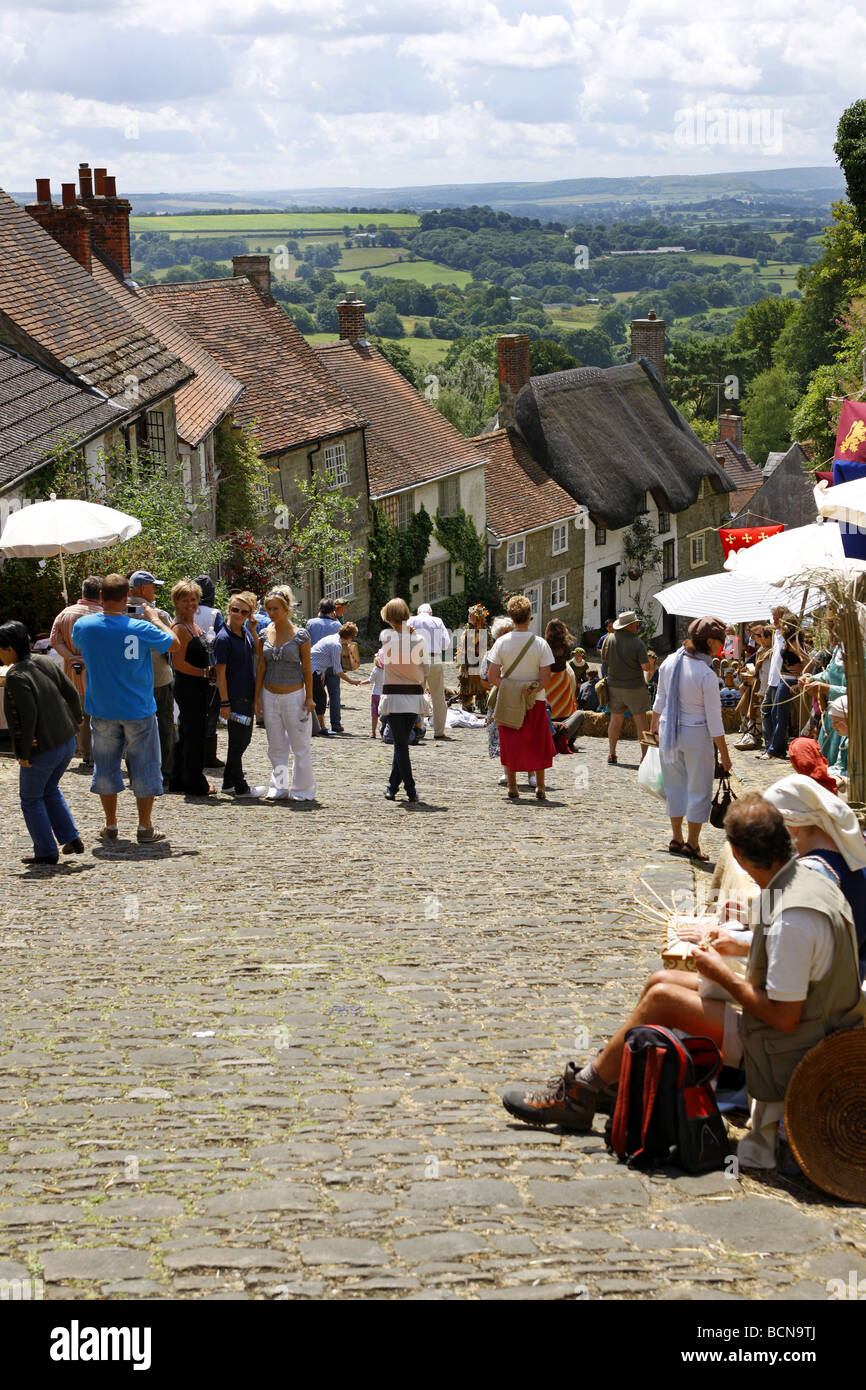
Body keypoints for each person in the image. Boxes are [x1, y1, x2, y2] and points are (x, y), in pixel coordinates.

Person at [501, 795, 865, 1154]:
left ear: (737, 856)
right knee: (659, 983)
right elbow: (787, 938)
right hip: (810, 1020)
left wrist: (721, 974)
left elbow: (784, 1018)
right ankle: (608, 1084)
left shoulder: (792, 918)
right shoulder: (805, 876)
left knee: (664, 1000)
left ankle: (581, 1092)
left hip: (794, 1045)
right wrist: (740, 940)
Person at [72, 573, 178, 843]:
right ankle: (145, 827)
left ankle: (111, 825)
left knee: (105, 768)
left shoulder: (84, 625)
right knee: (145, 767)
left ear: (100, 597)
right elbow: (175, 644)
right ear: (126, 596)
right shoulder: (140, 627)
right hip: (138, 708)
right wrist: (154, 619)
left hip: (102, 707)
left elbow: (77, 644)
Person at [763, 773, 866, 981]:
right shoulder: (848, 850)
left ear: (793, 826)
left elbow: (789, 939)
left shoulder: (814, 870)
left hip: (833, 982)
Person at [0, 620, 84, 865]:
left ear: (9, 649)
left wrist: (23, 753)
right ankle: (70, 837)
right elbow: (70, 690)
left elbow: (27, 717)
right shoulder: (44, 660)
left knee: (30, 798)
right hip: (66, 741)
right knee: (49, 789)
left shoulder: (16, 675)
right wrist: (77, 718)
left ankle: (46, 851)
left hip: (43, 748)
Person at [650, 616, 732, 862]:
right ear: (709, 641)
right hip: (696, 735)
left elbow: (659, 700)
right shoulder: (706, 674)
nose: (723, 647)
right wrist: (725, 756)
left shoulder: (669, 663)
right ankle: (692, 843)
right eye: (721, 642)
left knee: (674, 786)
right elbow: (714, 721)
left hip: (668, 730)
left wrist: (654, 726)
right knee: (698, 789)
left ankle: (676, 837)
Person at [486, 594, 554, 801]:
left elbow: (492, 676)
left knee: (511, 742)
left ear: (511, 616)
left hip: (509, 700)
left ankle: (513, 786)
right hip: (535, 700)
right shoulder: (540, 644)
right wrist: (529, 690)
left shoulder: (501, 643)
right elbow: (545, 678)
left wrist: (511, 688)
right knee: (536, 742)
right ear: (529, 616)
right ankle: (540, 787)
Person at [254, 588, 317, 801]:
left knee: (300, 745)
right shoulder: (264, 634)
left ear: (286, 609)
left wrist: (309, 697)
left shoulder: (300, 635)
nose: (271, 612)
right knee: (276, 745)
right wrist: (257, 697)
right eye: (268, 609)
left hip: (295, 695)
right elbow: (261, 666)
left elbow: (307, 668)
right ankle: (280, 786)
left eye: (275, 609)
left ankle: (302, 788)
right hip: (270, 694)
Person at [213, 592, 265, 798]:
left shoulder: (243, 633)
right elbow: (220, 672)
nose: (239, 614)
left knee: (241, 741)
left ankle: (228, 783)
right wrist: (225, 702)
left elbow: (257, 654)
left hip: (245, 696)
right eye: (235, 610)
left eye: (244, 612)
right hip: (235, 699)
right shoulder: (224, 638)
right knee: (240, 742)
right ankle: (240, 786)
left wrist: (253, 630)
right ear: (229, 609)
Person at [378, 597, 430, 802]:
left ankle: (410, 788)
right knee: (401, 742)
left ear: (390, 619)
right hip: (413, 695)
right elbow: (425, 667)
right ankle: (393, 786)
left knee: (400, 745)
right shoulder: (420, 640)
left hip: (394, 695)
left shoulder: (387, 639)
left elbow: (381, 661)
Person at [168, 580, 215, 798]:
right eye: (185, 599)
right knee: (194, 735)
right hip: (189, 686)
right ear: (176, 602)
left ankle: (179, 778)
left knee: (187, 733)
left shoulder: (193, 625)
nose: (190, 603)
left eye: (194, 599)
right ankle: (195, 783)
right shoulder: (179, 627)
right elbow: (179, 664)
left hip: (197, 686)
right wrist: (204, 673)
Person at [49, 575, 102, 767]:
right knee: (98, 715)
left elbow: (55, 640)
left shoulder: (65, 613)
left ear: (82, 592)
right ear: (100, 594)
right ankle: (96, 755)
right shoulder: (105, 615)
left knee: (79, 714)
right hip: (99, 675)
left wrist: (71, 657)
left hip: (73, 674)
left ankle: (84, 753)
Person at [128, 570, 174, 783]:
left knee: (133, 728)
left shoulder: (121, 613)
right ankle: (165, 771)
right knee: (164, 726)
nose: (155, 589)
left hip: (130, 680)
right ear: (142, 588)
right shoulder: (159, 615)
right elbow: (172, 645)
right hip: (158, 678)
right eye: (152, 586)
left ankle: (135, 770)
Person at [603, 610, 654, 765]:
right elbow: (645, 667)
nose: (637, 625)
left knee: (615, 720)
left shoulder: (608, 639)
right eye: (635, 623)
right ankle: (645, 757)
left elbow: (604, 660)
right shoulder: (637, 642)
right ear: (630, 625)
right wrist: (651, 665)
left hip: (613, 686)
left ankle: (611, 753)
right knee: (641, 721)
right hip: (634, 687)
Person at [761, 614, 807, 760]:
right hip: (783, 679)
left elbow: (806, 658)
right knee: (776, 713)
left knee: (779, 714)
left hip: (789, 680)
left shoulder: (794, 641)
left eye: (784, 623)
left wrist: (801, 672)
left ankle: (774, 749)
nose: (781, 625)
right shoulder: (787, 640)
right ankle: (778, 748)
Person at [310, 622, 366, 734]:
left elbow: (323, 659)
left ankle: (316, 726)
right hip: (312, 671)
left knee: (316, 697)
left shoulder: (331, 638)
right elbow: (337, 670)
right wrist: (351, 681)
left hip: (313, 669)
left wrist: (323, 675)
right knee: (321, 698)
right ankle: (321, 728)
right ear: (350, 637)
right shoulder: (336, 645)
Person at [193, 574, 223, 769]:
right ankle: (209, 755)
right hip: (210, 666)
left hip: (188, 665)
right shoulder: (214, 613)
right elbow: (221, 640)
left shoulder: (186, 609)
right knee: (211, 710)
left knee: (191, 710)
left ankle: (193, 752)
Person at [409, 603, 451, 739]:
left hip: (415, 661)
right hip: (434, 659)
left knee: (415, 696)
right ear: (431, 612)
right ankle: (439, 732)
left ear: (418, 611)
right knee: (438, 697)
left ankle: (417, 727)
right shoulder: (437, 621)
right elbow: (445, 644)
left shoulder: (411, 620)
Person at [306, 600, 343, 730]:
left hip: (314, 663)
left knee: (315, 694)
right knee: (334, 694)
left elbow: (306, 643)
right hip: (332, 663)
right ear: (333, 611)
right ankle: (336, 723)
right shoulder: (337, 624)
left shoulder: (311, 623)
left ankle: (315, 722)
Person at [456, 604, 490, 713]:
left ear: (478, 618)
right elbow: (462, 645)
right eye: (469, 615)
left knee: (481, 686)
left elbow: (488, 648)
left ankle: (483, 704)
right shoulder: (467, 629)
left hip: (479, 663)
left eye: (471, 615)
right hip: (468, 663)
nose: (469, 617)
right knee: (466, 684)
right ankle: (467, 704)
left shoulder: (485, 631)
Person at [544, 620, 578, 722]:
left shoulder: (544, 645)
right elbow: (567, 658)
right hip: (562, 677)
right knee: (564, 703)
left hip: (548, 677)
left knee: (549, 702)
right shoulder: (565, 645)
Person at [368, 631, 388, 738]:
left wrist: (360, 682)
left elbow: (370, 680)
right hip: (386, 695)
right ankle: (384, 730)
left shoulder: (376, 670)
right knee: (385, 715)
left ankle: (373, 732)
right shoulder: (390, 671)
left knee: (374, 715)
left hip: (375, 694)